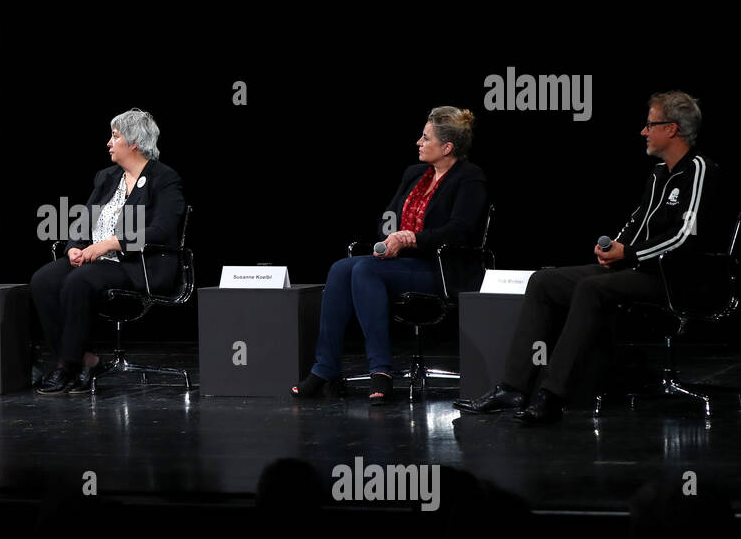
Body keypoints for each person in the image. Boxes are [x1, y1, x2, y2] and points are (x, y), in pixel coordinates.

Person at [457, 91, 724, 424]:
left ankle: (552, 395)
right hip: (642, 270)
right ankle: (512, 387)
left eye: (650, 124)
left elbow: (685, 237)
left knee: (591, 289)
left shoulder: (700, 170)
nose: (643, 131)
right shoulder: (658, 174)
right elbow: (637, 221)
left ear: (671, 129)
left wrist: (629, 253)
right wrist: (615, 246)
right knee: (544, 281)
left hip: (678, 279)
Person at [292, 107, 489, 404]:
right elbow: (387, 218)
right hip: (404, 262)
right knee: (340, 269)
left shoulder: (470, 178)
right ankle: (325, 369)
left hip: (443, 269)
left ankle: (381, 371)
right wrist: (391, 236)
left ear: (447, 147)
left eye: (425, 138)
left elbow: (460, 231)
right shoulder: (414, 174)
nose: (418, 143)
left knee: (364, 271)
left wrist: (412, 237)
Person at [30, 109, 186, 395]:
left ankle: (67, 367)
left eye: (115, 136)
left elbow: (161, 230)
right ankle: (86, 360)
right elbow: (86, 219)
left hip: (136, 264)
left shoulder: (163, 178)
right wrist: (75, 247)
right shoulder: (107, 177)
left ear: (135, 143)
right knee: (43, 280)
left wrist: (110, 243)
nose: (109, 143)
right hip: (96, 259)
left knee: (78, 282)